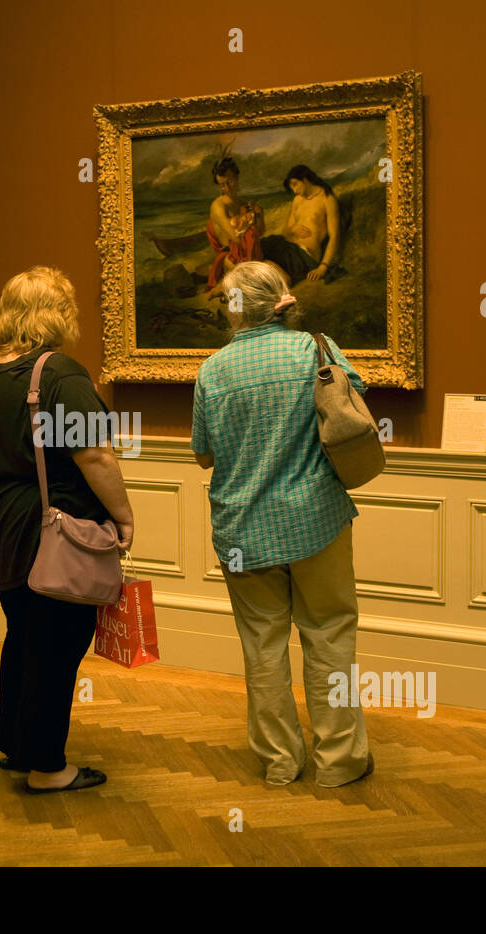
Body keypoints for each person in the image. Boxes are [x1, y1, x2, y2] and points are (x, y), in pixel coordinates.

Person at [191, 260, 373, 788]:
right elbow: (354, 403)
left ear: (235, 310)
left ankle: (280, 761)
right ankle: (340, 762)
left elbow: (204, 455)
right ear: (282, 300)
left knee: (262, 645)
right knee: (330, 635)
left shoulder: (212, 371)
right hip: (317, 519)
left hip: (243, 531)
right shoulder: (315, 349)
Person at [0, 266, 135, 794]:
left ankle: (18, 747)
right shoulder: (59, 374)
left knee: (23, 635)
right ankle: (46, 765)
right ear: (58, 315)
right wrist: (124, 517)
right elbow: (96, 456)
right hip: (49, 528)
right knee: (57, 644)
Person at [261, 164, 344, 286]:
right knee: (259, 246)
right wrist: (293, 229)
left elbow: (335, 236)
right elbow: (285, 231)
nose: (294, 190)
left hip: (304, 255)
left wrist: (323, 267)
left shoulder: (327, 199)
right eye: (291, 187)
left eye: (295, 184)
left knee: (261, 258)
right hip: (287, 247)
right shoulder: (297, 200)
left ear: (305, 179)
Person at [205, 155, 263, 293]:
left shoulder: (243, 204)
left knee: (280, 281)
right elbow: (235, 238)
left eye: (229, 181)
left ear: (237, 178)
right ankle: (223, 292)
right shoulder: (218, 206)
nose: (226, 187)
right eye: (221, 184)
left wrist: (259, 214)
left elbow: (260, 233)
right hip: (230, 257)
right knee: (239, 298)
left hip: (249, 254)